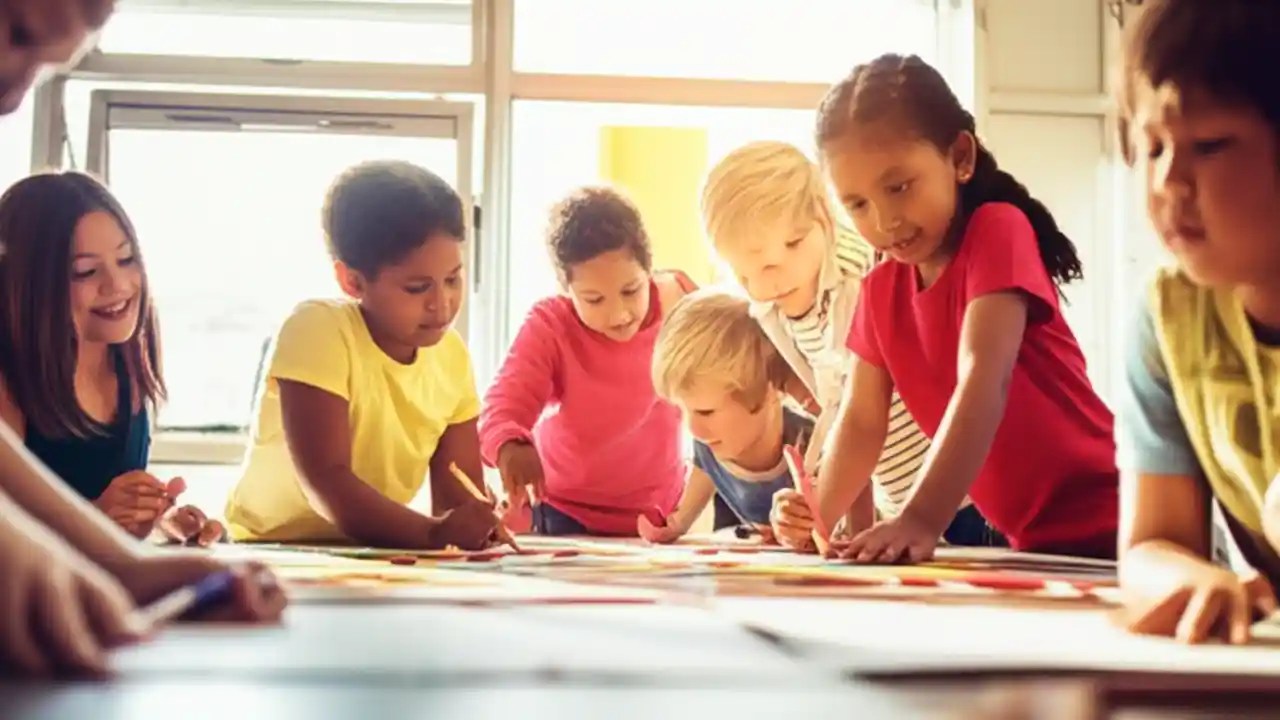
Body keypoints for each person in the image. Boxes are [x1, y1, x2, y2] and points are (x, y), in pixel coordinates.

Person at [0, 0, 284, 677]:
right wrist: (113, 551)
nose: (13, 99)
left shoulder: (130, 369)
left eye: (127, 260)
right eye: (17, 35)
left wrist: (148, 542)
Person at [773, 53, 1118, 562]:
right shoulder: (879, 289)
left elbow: (984, 377)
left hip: (1119, 519)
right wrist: (815, 516)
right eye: (858, 204)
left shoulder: (997, 231)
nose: (885, 221)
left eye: (899, 187)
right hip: (1038, 545)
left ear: (960, 157)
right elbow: (863, 423)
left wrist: (920, 518)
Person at [1113, 0, 1280, 645]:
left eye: (1209, 145)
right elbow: (1149, 545)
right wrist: (1185, 579)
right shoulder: (1169, 320)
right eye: (1152, 146)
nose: (1168, 180)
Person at [0, 171, 223, 546]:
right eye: (85, 271)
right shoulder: (9, 380)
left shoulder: (127, 363)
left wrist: (161, 522)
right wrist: (95, 517)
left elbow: (107, 518)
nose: (117, 285)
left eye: (126, 258)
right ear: (29, 284)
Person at [480, 186, 694, 535]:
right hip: (562, 511)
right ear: (566, 290)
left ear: (649, 270)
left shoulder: (680, 304)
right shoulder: (551, 325)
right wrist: (510, 444)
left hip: (659, 514)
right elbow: (502, 405)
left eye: (631, 290)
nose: (619, 314)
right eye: (594, 299)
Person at [641, 290, 813, 542]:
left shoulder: (812, 443)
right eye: (684, 409)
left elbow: (843, 529)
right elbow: (701, 477)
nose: (694, 428)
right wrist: (675, 525)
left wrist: (799, 527)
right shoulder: (708, 444)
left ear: (769, 392)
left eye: (706, 412)